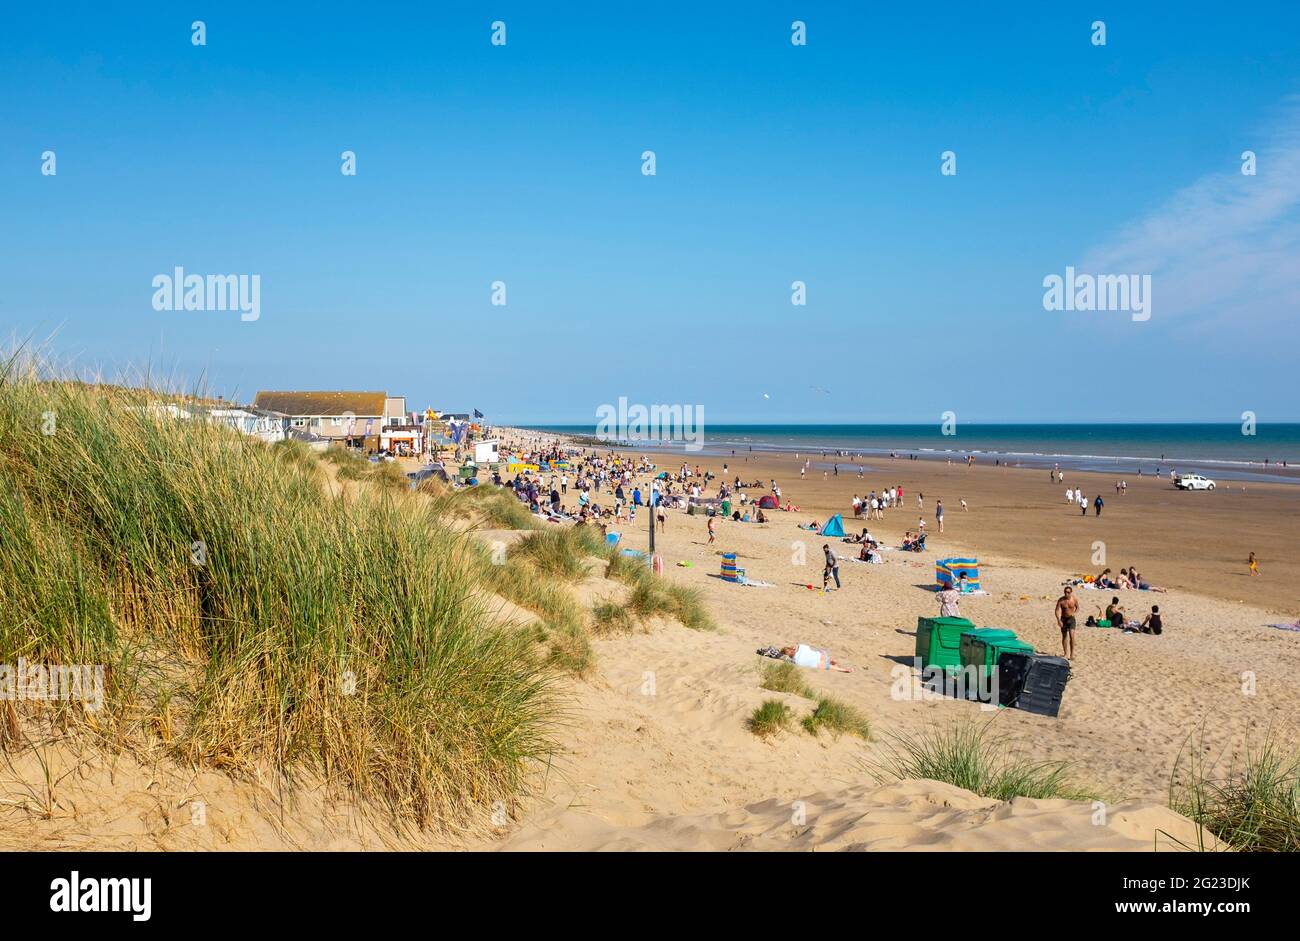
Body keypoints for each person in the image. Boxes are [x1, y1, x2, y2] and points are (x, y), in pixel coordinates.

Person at [1055, 586, 1079, 661]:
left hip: (1071, 619)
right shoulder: (1061, 600)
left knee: (1072, 636)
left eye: (1068, 592)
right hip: (1063, 619)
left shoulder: (1074, 599)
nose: (1066, 593)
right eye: (1065, 592)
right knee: (1064, 636)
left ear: (1071, 592)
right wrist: (1058, 620)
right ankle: (1065, 653)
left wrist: (1075, 613)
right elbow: (1056, 610)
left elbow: (1078, 607)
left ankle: (1071, 654)